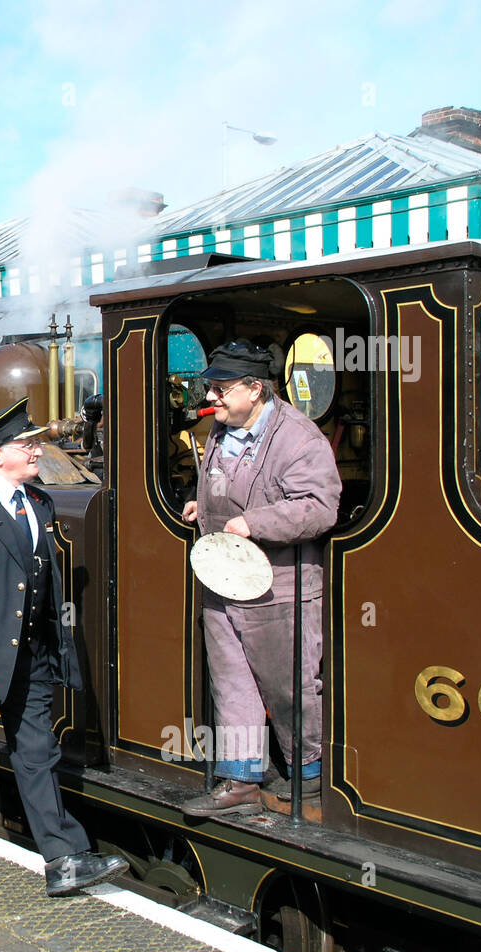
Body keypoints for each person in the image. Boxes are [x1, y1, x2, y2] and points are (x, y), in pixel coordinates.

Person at [0, 397, 128, 896]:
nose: (37, 450)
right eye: (26, 444)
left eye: (35, 442)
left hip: (30, 655)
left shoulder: (39, 503)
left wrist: (55, 648)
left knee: (37, 754)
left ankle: (62, 859)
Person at [179, 340, 341, 816]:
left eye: (223, 388)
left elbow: (318, 505)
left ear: (255, 388)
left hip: (279, 586)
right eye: (212, 386)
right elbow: (224, 485)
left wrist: (256, 523)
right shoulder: (222, 427)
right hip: (222, 580)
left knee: (288, 685)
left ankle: (309, 774)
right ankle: (242, 778)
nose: (214, 397)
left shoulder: (298, 437)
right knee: (231, 682)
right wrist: (201, 506)